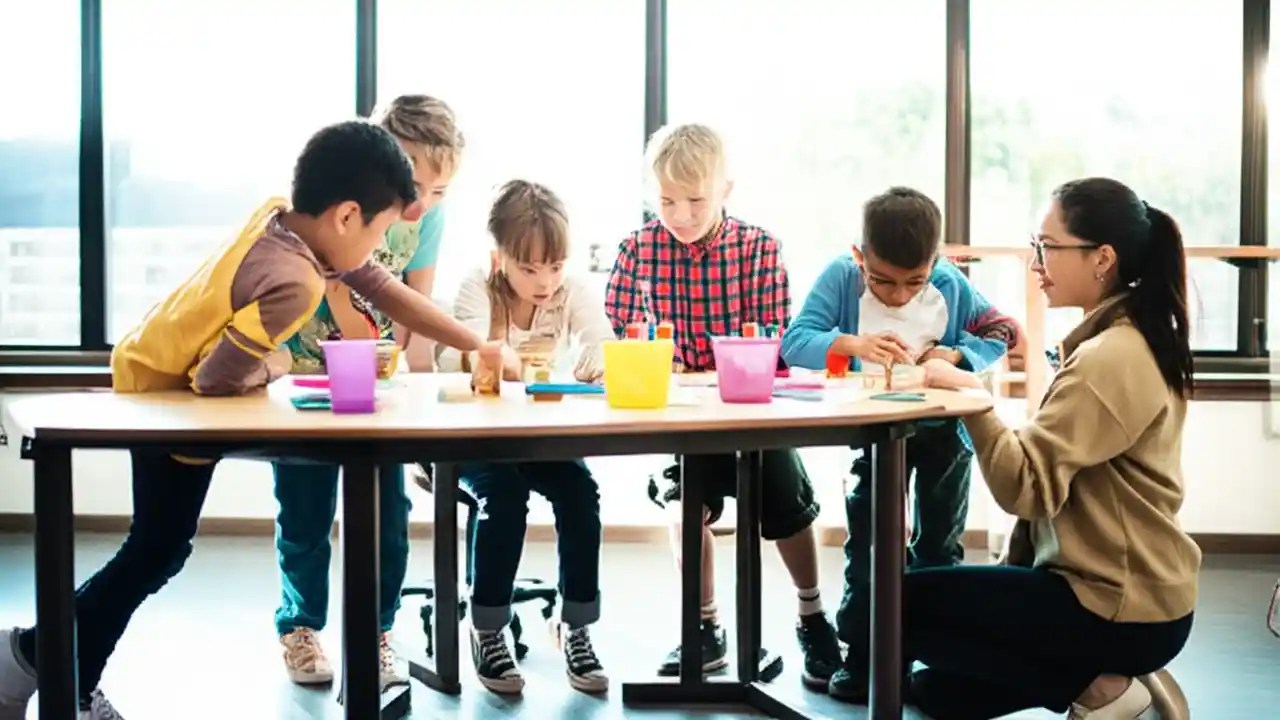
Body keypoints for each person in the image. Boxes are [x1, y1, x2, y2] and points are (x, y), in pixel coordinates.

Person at [0, 120, 503, 719]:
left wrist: (476, 343)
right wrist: (280, 362)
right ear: (346, 217)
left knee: (155, 550)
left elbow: (379, 285)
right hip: (162, 405)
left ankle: (41, 666)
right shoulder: (295, 280)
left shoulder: (284, 220)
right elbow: (214, 378)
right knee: (156, 552)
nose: (377, 250)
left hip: (150, 374)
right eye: (380, 231)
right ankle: (36, 664)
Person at [890, 177, 1200, 719]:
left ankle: (1107, 689)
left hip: (1118, 606)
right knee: (936, 693)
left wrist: (975, 399)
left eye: (1046, 246)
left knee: (891, 610)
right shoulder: (1124, 338)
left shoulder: (1113, 357)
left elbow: (1025, 488)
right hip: (1119, 594)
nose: (1036, 263)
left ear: (1103, 258)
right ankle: (1102, 679)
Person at [605, 123, 841, 688]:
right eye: (665, 201)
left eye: (695, 200)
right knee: (686, 505)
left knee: (787, 504)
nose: (680, 214)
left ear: (725, 190)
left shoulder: (759, 248)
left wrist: (715, 368)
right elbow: (619, 326)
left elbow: (774, 335)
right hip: (682, 413)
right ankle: (704, 625)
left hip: (753, 406)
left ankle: (812, 615)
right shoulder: (636, 250)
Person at [780, 186, 1017, 701]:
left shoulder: (950, 283)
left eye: (916, 281)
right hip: (872, 436)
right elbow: (794, 342)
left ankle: (926, 656)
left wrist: (955, 357)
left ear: (936, 261)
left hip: (943, 435)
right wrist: (848, 343)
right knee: (869, 543)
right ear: (859, 257)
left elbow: (1003, 331)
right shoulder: (840, 278)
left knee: (937, 547)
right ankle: (863, 655)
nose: (899, 295)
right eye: (882, 280)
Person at [271, 95, 464, 690]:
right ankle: (299, 627)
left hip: (380, 380)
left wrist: (412, 385)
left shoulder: (426, 218)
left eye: (437, 192)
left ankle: (376, 632)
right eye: (415, 184)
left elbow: (416, 303)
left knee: (389, 516)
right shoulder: (333, 206)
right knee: (304, 511)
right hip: (305, 377)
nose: (420, 203)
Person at [437, 180, 615, 695]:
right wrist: (494, 355)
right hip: (471, 441)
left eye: (555, 267)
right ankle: (488, 628)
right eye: (529, 268)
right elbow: (457, 359)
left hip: (536, 436)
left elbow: (599, 340)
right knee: (505, 497)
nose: (544, 282)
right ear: (500, 259)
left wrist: (598, 361)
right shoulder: (477, 287)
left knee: (581, 493)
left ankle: (575, 624)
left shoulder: (571, 292)